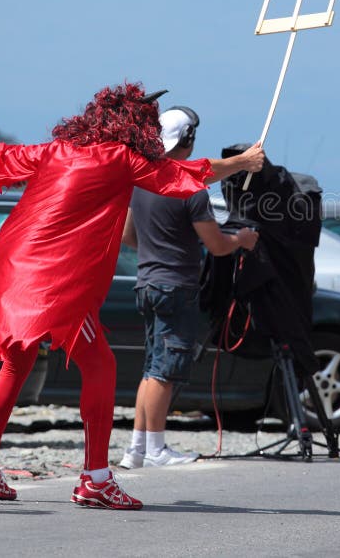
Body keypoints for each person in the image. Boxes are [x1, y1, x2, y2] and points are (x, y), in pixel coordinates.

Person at [0, 83, 236, 510]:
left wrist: (10, 159)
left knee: (17, 361)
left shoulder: (57, 150)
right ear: (132, 125)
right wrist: (242, 162)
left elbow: (1, 157)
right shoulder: (123, 159)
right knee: (100, 363)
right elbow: (186, 177)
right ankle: (95, 478)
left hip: (13, 263)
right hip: (55, 277)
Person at [118, 105, 264, 469]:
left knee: (152, 367)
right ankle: (155, 449)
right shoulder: (191, 189)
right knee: (164, 371)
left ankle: (136, 448)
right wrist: (242, 239)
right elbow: (216, 245)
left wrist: (159, 245)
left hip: (147, 282)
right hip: (176, 285)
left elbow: (127, 235)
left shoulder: (142, 181)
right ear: (188, 141)